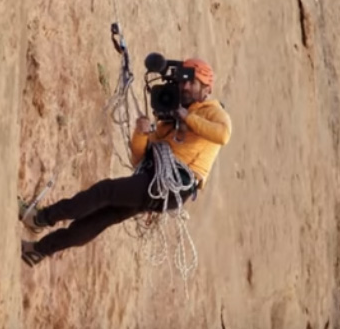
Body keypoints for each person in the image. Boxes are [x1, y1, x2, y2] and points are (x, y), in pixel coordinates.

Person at [19, 58, 232, 266]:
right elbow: (139, 158)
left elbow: (223, 135)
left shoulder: (214, 113)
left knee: (105, 192)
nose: (185, 86)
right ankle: (37, 251)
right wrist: (141, 133)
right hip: (154, 179)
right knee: (102, 217)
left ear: (207, 90)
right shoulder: (171, 120)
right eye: (183, 81)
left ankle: (40, 218)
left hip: (171, 185)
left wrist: (187, 117)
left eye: (192, 82)